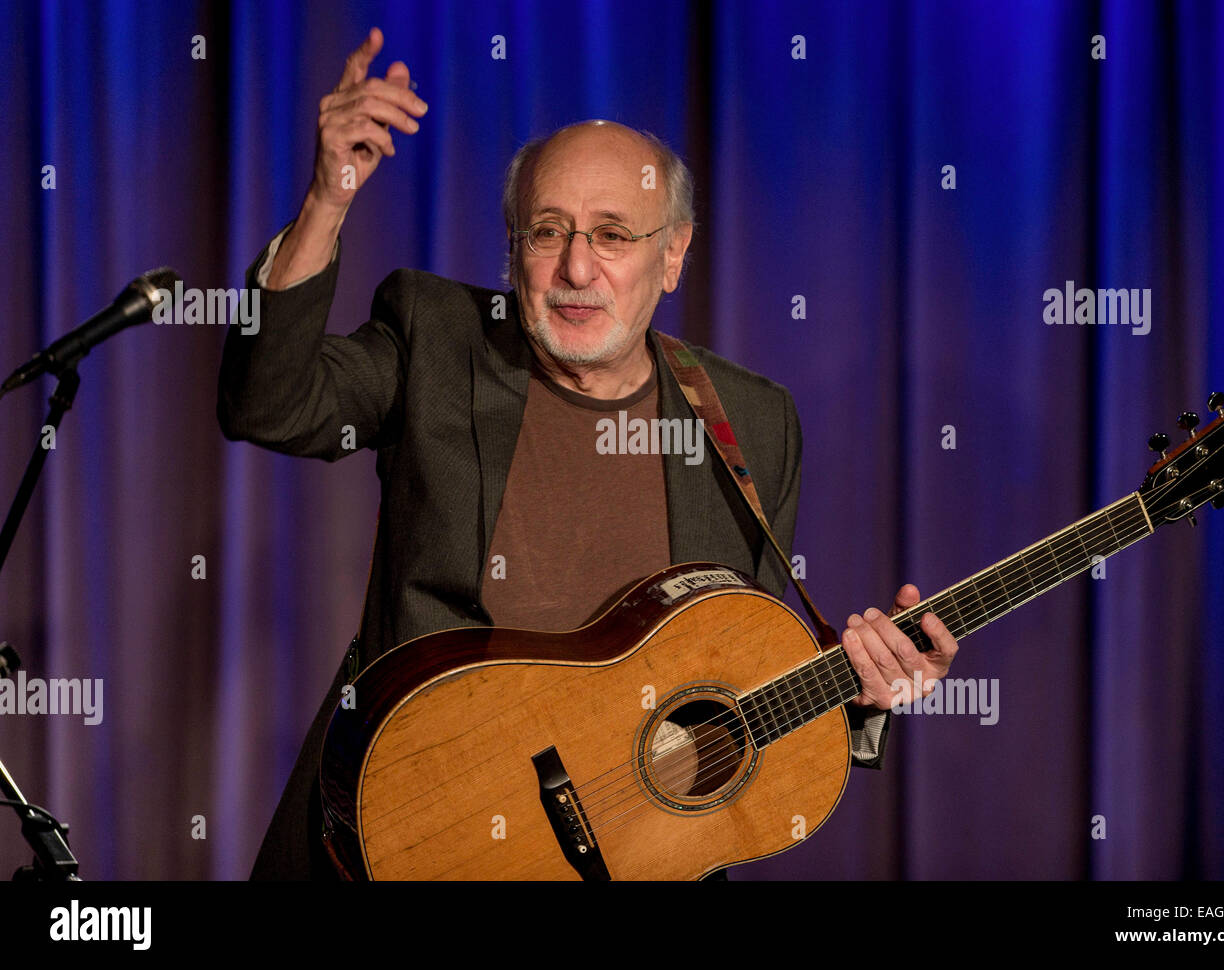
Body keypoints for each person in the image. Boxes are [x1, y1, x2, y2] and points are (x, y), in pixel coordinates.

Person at [218, 27, 960, 880]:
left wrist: (866, 691)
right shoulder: (437, 338)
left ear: (672, 255)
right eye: (547, 232)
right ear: (513, 250)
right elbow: (266, 405)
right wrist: (327, 201)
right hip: (398, 836)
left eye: (613, 235)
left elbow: (735, 683)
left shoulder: (753, 422)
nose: (576, 266)